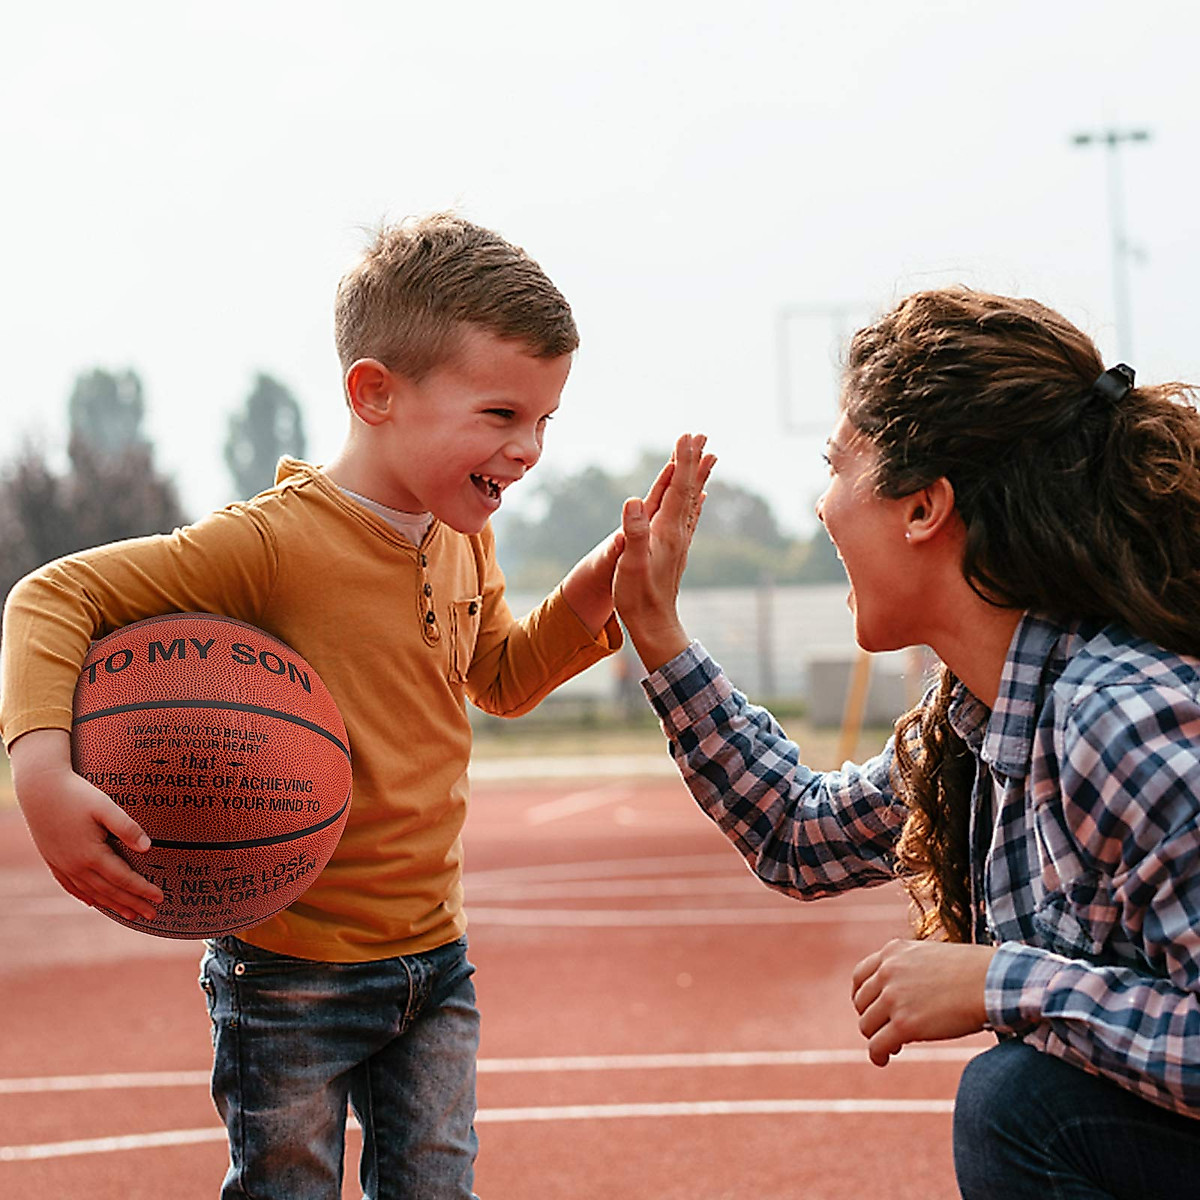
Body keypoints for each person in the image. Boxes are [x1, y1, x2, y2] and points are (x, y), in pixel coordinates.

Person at [0, 213, 643, 1200]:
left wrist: (601, 582)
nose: (530, 450)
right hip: (288, 971)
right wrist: (43, 772)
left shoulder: (462, 535)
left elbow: (503, 676)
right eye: (502, 415)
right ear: (375, 393)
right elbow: (51, 597)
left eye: (545, 421)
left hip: (436, 959)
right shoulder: (274, 545)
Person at [613, 289, 1200, 1199]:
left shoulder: (1110, 715)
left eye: (835, 466)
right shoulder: (977, 715)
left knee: (1017, 1105)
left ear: (925, 507)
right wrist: (657, 631)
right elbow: (798, 835)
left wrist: (1003, 980)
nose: (822, 507)